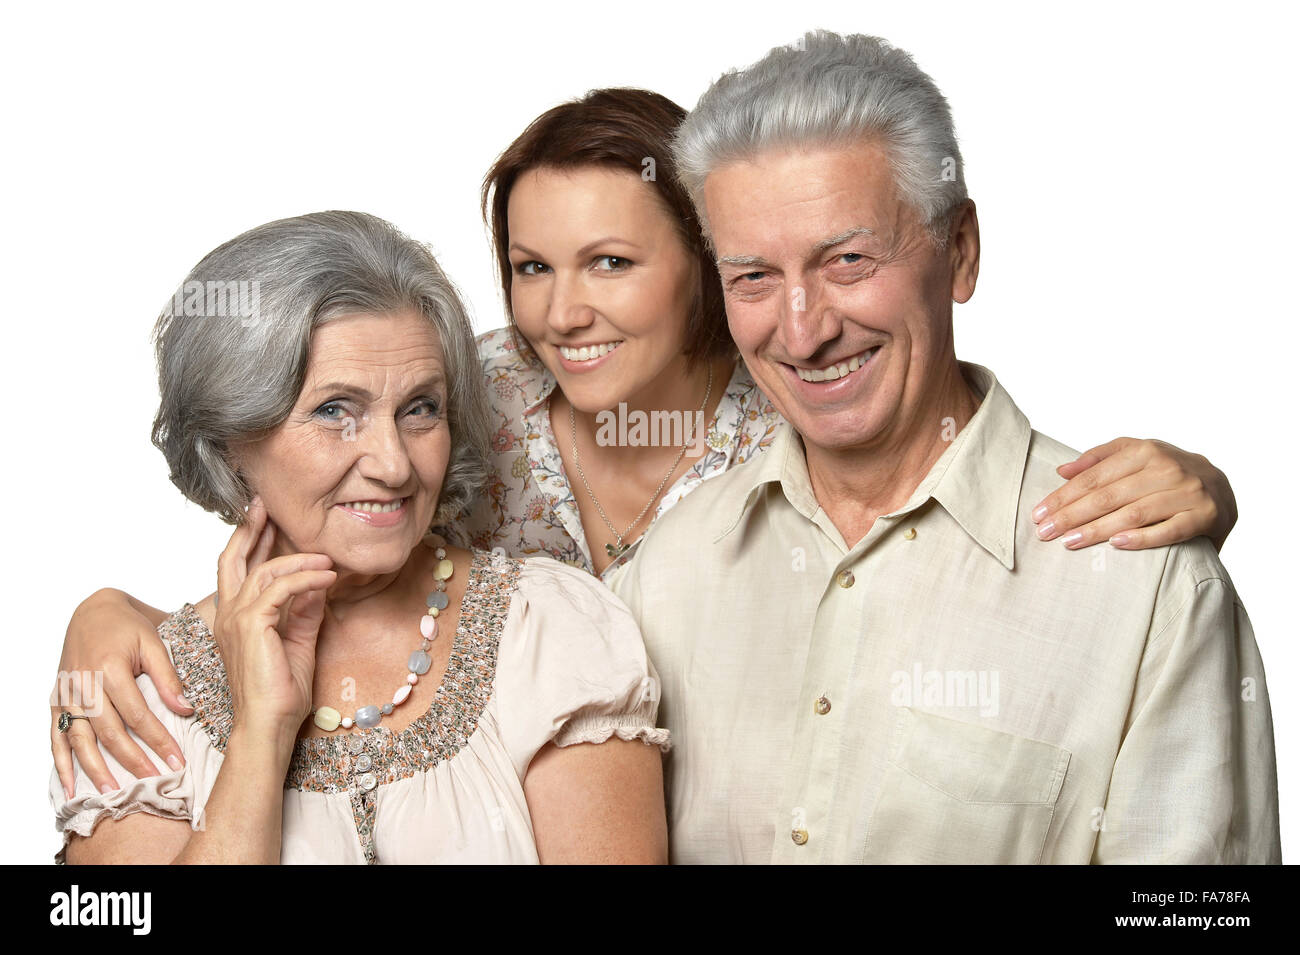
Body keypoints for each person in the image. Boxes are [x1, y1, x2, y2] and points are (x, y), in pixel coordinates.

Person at [54, 88, 1239, 798]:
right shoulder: (471, 389)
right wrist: (117, 613)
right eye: (530, 267)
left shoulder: (807, 403)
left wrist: (1206, 490)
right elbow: (313, 486)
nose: (563, 311)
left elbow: (963, 480)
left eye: (612, 263)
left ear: (711, 269)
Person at [607, 30, 1279, 862]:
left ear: (958, 252)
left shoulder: (1149, 586)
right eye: (752, 277)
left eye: (849, 259)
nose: (803, 328)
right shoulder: (668, 573)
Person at [49, 211, 669, 864]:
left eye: (420, 408)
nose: (394, 463)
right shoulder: (130, 692)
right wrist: (262, 733)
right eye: (334, 410)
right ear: (232, 439)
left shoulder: (550, 628)